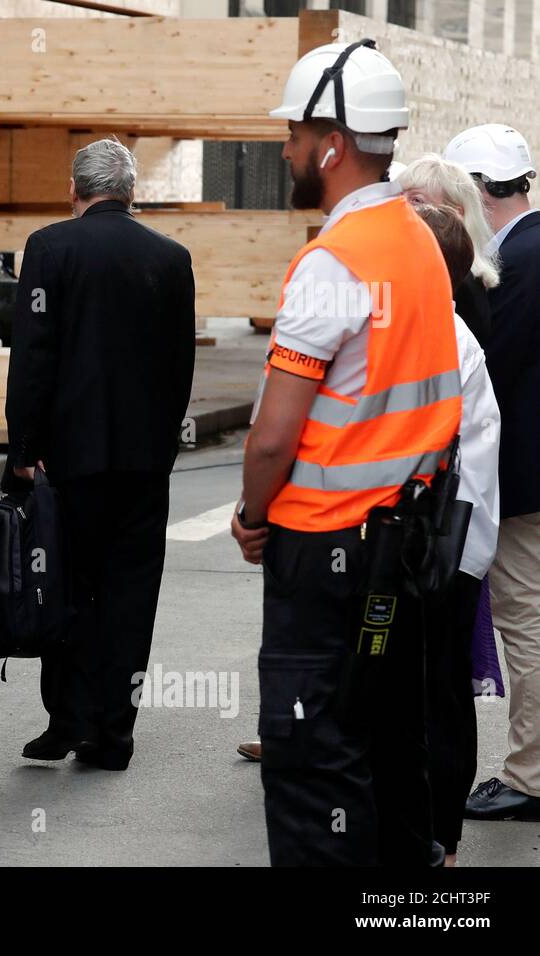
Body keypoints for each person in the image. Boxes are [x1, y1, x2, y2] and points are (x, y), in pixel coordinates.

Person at [231, 41, 462, 866]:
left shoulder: (332, 262)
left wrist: (254, 516)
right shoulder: (420, 244)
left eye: (295, 134)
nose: (287, 149)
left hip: (323, 553)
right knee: (394, 749)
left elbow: (271, 438)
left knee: (311, 764)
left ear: (330, 144)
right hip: (401, 550)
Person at [3, 136, 196, 769]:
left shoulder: (50, 247)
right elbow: (180, 363)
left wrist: (23, 447)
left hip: (69, 455)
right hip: (143, 461)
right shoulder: (171, 257)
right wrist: (165, 440)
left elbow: (34, 354)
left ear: (74, 189)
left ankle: (66, 719)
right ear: (132, 190)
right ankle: (114, 732)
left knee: (64, 584)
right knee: (131, 593)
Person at [445, 124, 540, 821]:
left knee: (524, 617)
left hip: (526, 475)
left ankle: (531, 775)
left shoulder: (521, 259)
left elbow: (488, 369)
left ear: (481, 191)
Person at [408, 202, 501, 865]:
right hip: (458, 548)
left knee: (434, 697)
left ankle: (438, 831)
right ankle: (438, 830)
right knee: (440, 696)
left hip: (438, 551)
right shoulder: (450, 332)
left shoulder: (439, 336)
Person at [397, 154, 501, 346]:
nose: (401, 207)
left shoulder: (459, 286)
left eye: (416, 200)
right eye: (399, 197)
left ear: (455, 214)